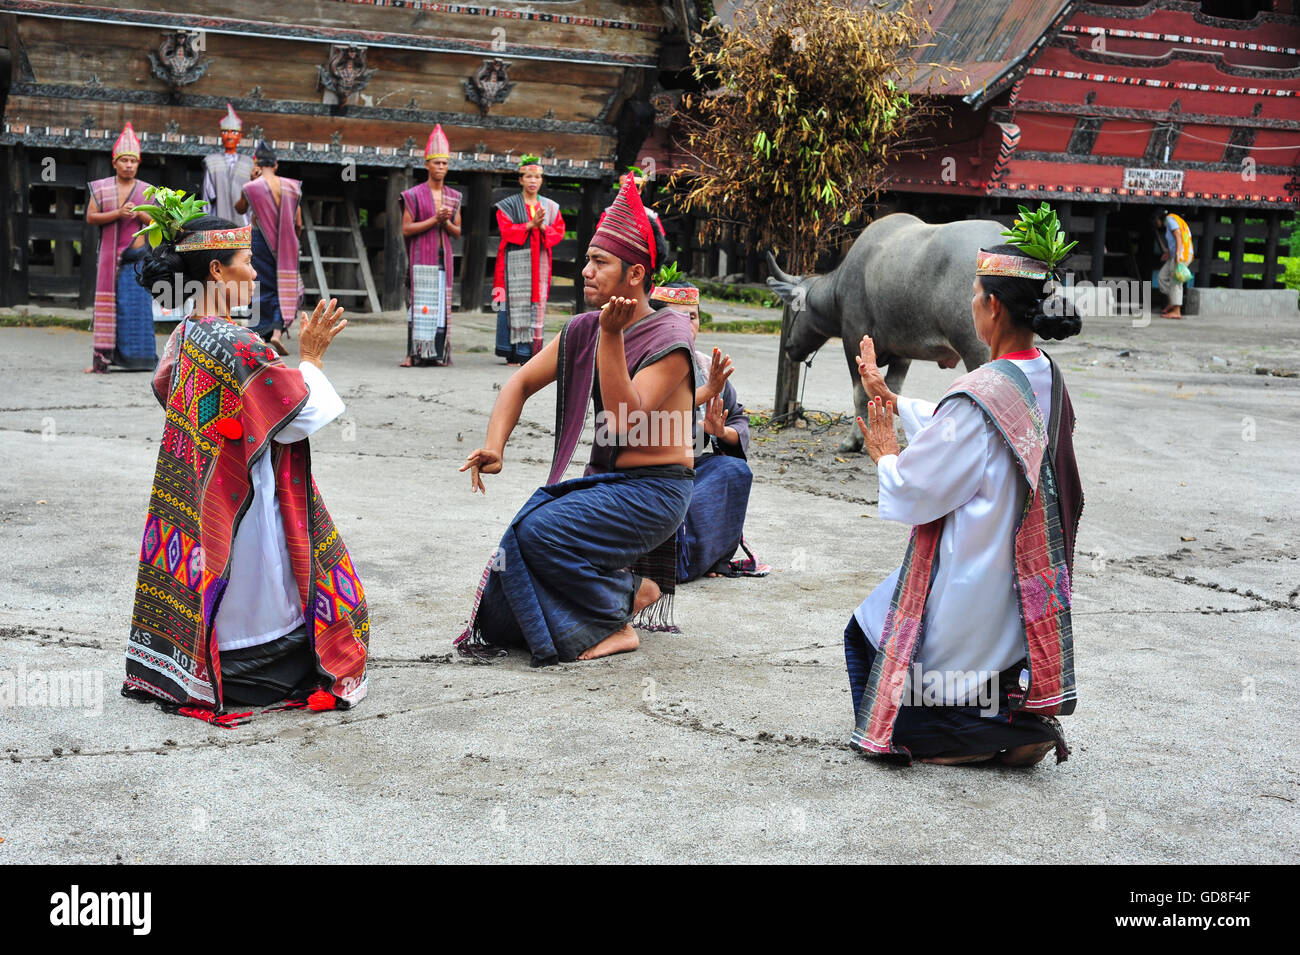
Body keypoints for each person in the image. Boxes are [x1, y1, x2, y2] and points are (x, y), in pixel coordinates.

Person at [844, 208, 1084, 768]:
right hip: (1023, 583)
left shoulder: (980, 390)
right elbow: (964, 426)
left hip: (971, 576)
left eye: (975, 294)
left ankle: (976, 739)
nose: (971, 304)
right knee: (960, 664)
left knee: (865, 640)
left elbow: (919, 486)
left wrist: (886, 459)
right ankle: (1012, 715)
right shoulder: (1042, 372)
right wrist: (894, 398)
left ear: (992, 306)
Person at [121, 201, 369, 725]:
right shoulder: (237, 342)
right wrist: (313, 358)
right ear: (216, 270)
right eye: (246, 261)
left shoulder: (188, 332)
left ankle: (195, 664)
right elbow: (302, 416)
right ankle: (251, 668)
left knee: (224, 578)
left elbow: (163, 385)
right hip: (245, 495)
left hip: (205, 486)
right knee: (260, 578)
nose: (255, 272)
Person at [457, 175, 695, 665]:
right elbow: (518, 383)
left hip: (656, 492)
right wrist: (496, 446)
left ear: (636, 274)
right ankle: (606, 604)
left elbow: (626, 421)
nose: (585, 270)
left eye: (599, 261)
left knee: (537, 533)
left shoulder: (671, 334)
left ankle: (625, 604)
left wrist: (611, 338)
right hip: (609, 484)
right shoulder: (587, 328)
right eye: (587, 259)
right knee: (512, 589)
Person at [649, 281, 768, 582]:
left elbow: (737, 417)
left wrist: (722, 431)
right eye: (677, 317)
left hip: (693, 468)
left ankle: (713, 558)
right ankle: (678, 562)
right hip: (649, 471)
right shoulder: (646, 363)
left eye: (693, 316)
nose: (687, 325)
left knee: (733, 471)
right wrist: (703, 410)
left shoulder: (705, 366)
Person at [83, 122, 156, 374]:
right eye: (123, 160)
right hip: (110, 258)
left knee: (136, 307)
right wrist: (117, 213)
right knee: (112, 306)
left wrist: (138, 212)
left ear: (138, 164)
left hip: (137, 259)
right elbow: (91, 217)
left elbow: (156, 223)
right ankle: (104, 359)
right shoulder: (102, 187)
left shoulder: (146, 190)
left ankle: (141, 359)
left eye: (132, 161)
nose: (128, 165)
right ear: (114, 162)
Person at [400, 124, 461, 366]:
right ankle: (412, 353)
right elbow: (406, 228)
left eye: (445, 163)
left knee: (440, 307)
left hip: (442, 258)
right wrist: (434, 219)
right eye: (437, 163)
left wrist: (444, 223)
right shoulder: (413, 195)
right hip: (421, 257)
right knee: (418, 306)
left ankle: (435, 353)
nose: (441, 167)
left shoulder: (453, 197)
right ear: (427, 165)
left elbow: (457, 232)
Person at [493, 154, 564, 364]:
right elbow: (506, 231)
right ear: (520, 179)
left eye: (537, 177)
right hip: (512, 264)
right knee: (509, 303)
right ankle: (511, 352)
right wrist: (529, 225)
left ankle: (529, 353)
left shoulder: (551, 207)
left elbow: (558, 231)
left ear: (541, 180)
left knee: (537, 303)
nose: (533, 181)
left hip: (539, 262)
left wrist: (540, 226)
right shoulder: (508, 205)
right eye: (528, 176)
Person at [235, 141, 302, 356]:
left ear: (256, 163)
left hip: (259, 240)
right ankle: (277, 332)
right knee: (283, 286)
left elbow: (240, 208)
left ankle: (258, 334)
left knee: (259, 285)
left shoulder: (253, 187)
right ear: (276, 164)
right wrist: (292, 241)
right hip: (286, 244)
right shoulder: (291, 187)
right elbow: (298, 223)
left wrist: (251, 182)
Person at [200, 103, 253, 226]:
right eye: (225, 132)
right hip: (218, 224)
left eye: (234, 132)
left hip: (244, 226)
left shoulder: (249, 164)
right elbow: (206, 198)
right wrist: (206, 225)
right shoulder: (211, 162)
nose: (229, 136)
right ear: (221, 135)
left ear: (240, 137)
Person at [1154, 208, 1194, 319]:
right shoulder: (1172, 220)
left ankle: (1176, 311)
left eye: (1155, 220)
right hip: (1176, 255)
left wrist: (1177, 254)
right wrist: (1169, 252)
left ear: (1159, 218)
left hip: (1181, 255)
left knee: (1176, 281)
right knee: (1162, 277)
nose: (1155, 223)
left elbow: (1178, 236)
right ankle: (1172, 301)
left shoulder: (1170, 219)